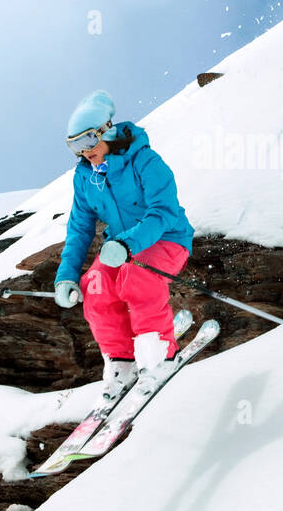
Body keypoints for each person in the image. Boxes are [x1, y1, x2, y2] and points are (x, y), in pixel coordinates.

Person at [54, 89, 194, 400]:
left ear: (107, 131)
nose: (84, 151)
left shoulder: (144, 161)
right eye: (74, 146)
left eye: (88, 141)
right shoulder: (85, 178)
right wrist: (66, 275)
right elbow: (79, 228)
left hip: (168, 238)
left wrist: (129, 244)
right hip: (120, 247)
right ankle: (122, 362)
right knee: (95, 285)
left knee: (138, 278)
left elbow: (164, 211)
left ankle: (159, 356)